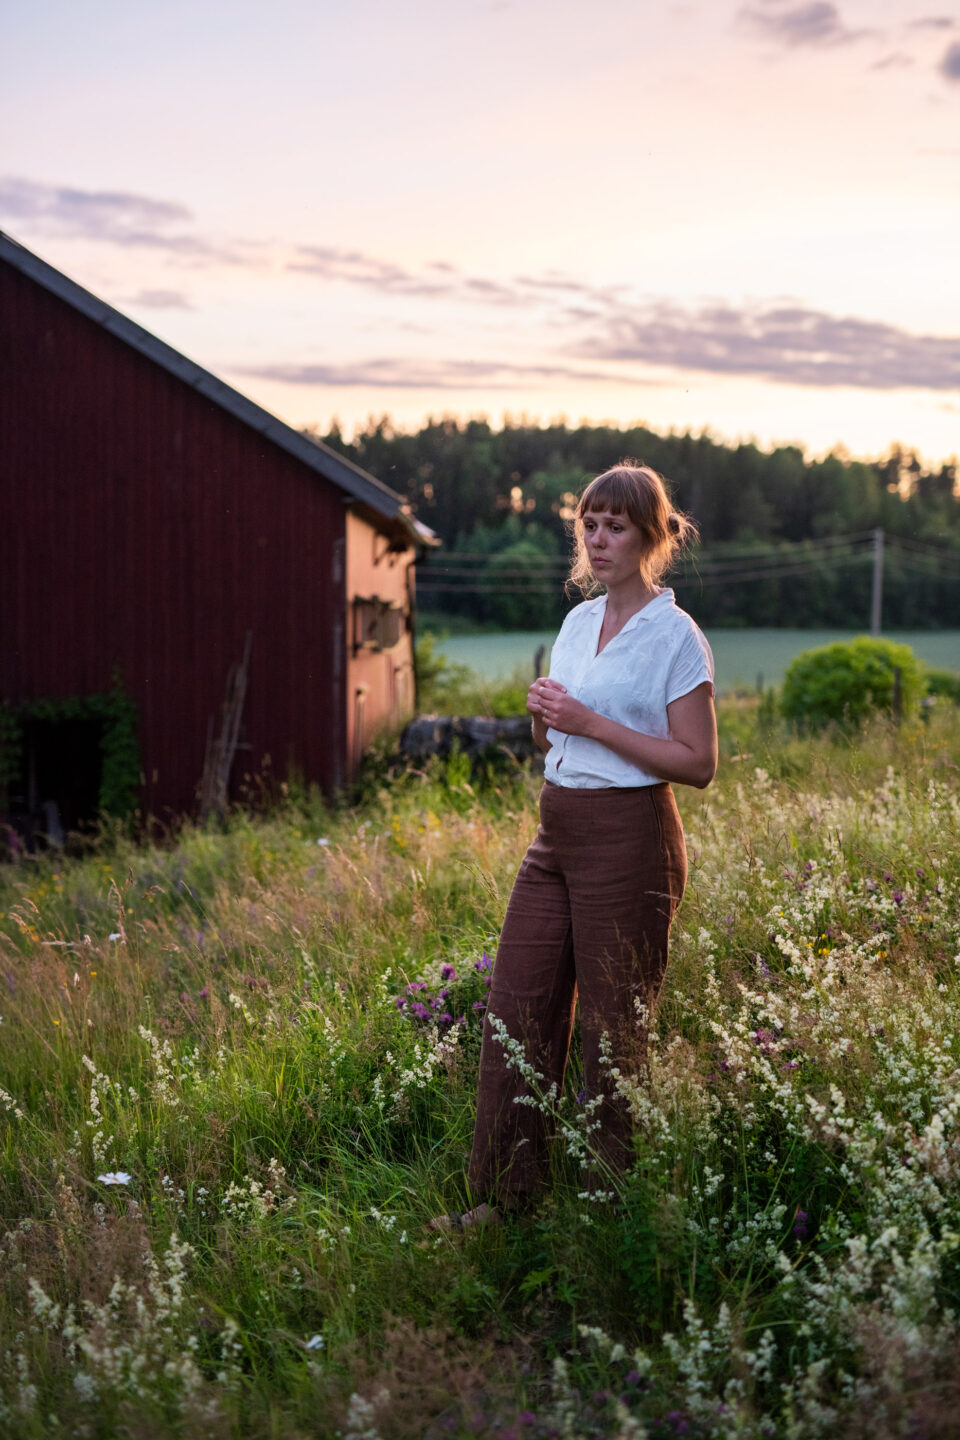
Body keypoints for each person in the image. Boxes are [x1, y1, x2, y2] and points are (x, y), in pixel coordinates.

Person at [432, 463, 717, 1232]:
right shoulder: (575, 624)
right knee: (516, 1008)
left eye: (615, 525)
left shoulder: (675, 636)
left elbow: (698, 764)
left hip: (632, 838)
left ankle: (606, 1213)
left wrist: (589, 721)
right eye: (588, 523)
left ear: (653, 536)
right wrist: (543, 713)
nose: (597, 538)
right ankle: (504, 1201)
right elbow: (555, 738)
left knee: (614, 1031)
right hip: (555, 829)